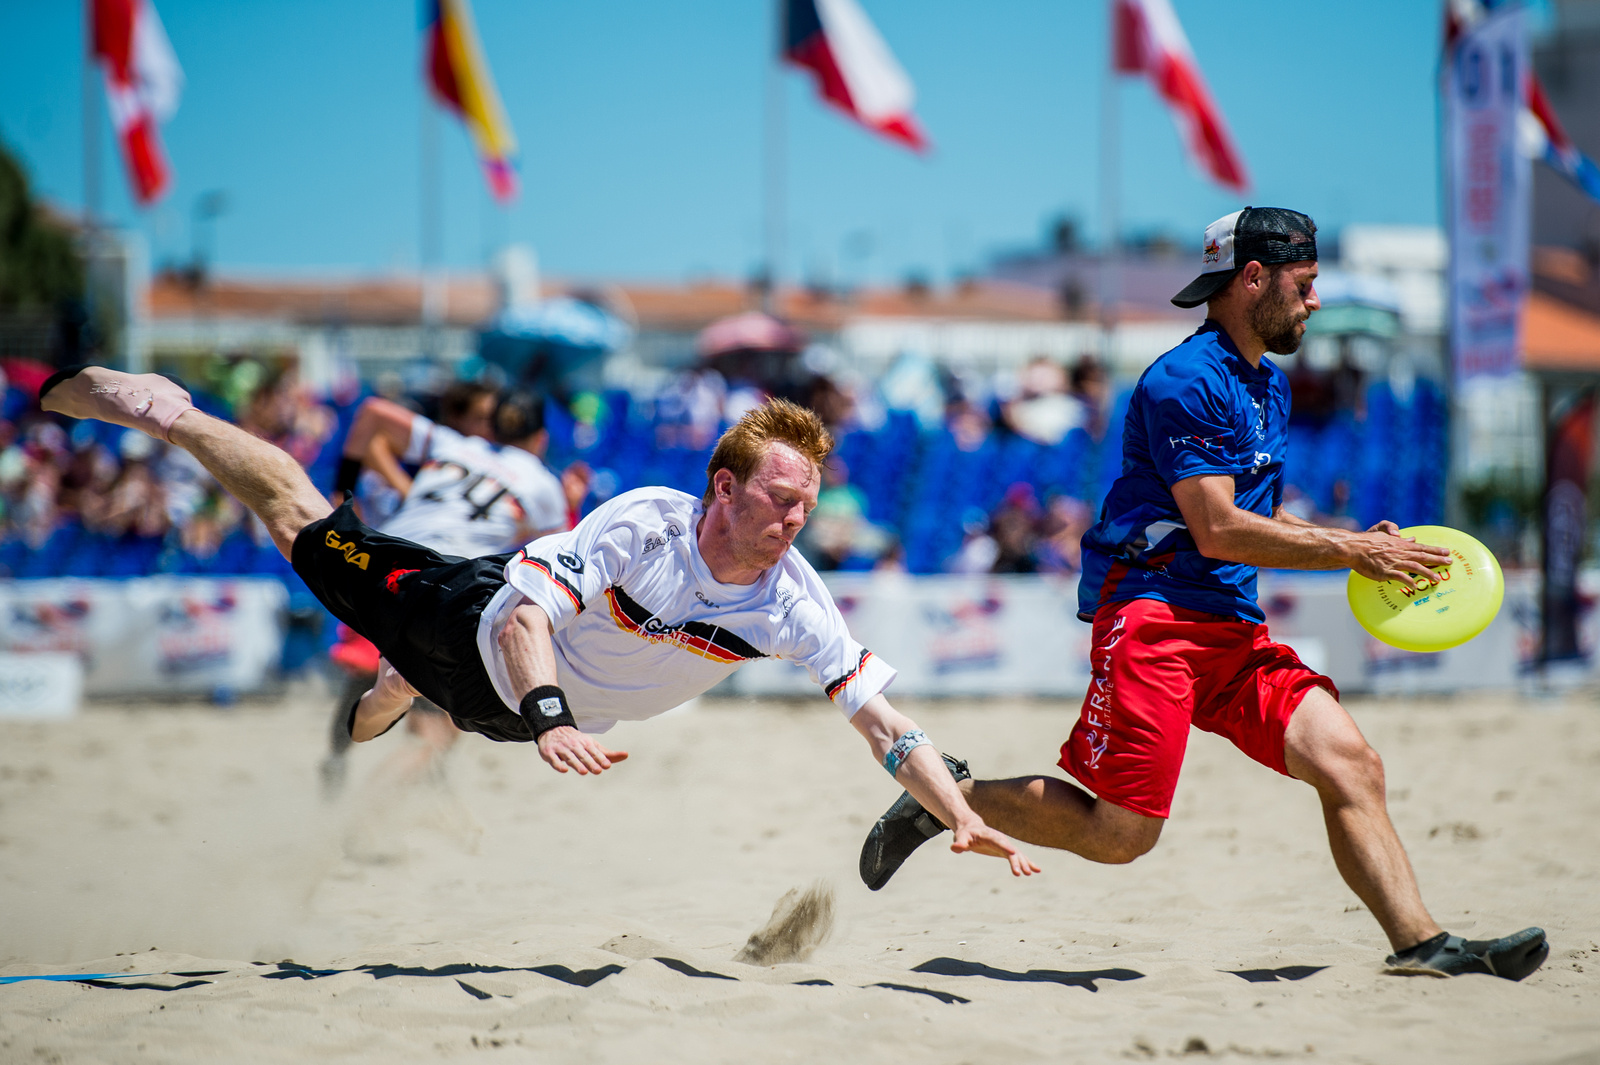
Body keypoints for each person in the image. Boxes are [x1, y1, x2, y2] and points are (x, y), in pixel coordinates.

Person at [857, 207, 1548, 982]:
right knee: (1124, 835)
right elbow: (1217, 528)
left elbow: (1255, 518)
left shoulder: (1267, 388)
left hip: (1231, 628)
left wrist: (1355, 538)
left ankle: (1421, 943)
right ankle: (945, 795)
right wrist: (1354, 551)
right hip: (1153, 617)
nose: (1314, 301)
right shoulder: (1183, 380)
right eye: (1306, 283)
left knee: (1352, 762)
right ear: (1253, 277)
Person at [37, 370, 1038, 882]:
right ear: (722, 487)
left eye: (807, 504)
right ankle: (165, 411)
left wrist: (958, 812)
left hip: (509, 714)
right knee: (306, 521)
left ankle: (406, 687)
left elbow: (883, 723)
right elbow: (525, 623)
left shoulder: (793, 601)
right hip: (465, 615)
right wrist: (553, 715)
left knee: (419, 710)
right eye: (778, 497)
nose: (794, 519)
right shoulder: (647, 521)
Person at [318, 388, 570, 793]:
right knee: (444, 723)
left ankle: (334, 762)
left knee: (371, 672)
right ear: (540, 439)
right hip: (443, 583)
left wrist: (341, 492)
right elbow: (550, 569)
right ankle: (365, 813)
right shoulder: (543, 483)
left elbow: (371, 412)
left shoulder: (454, 444)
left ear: (492, 426)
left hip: (377, 564)